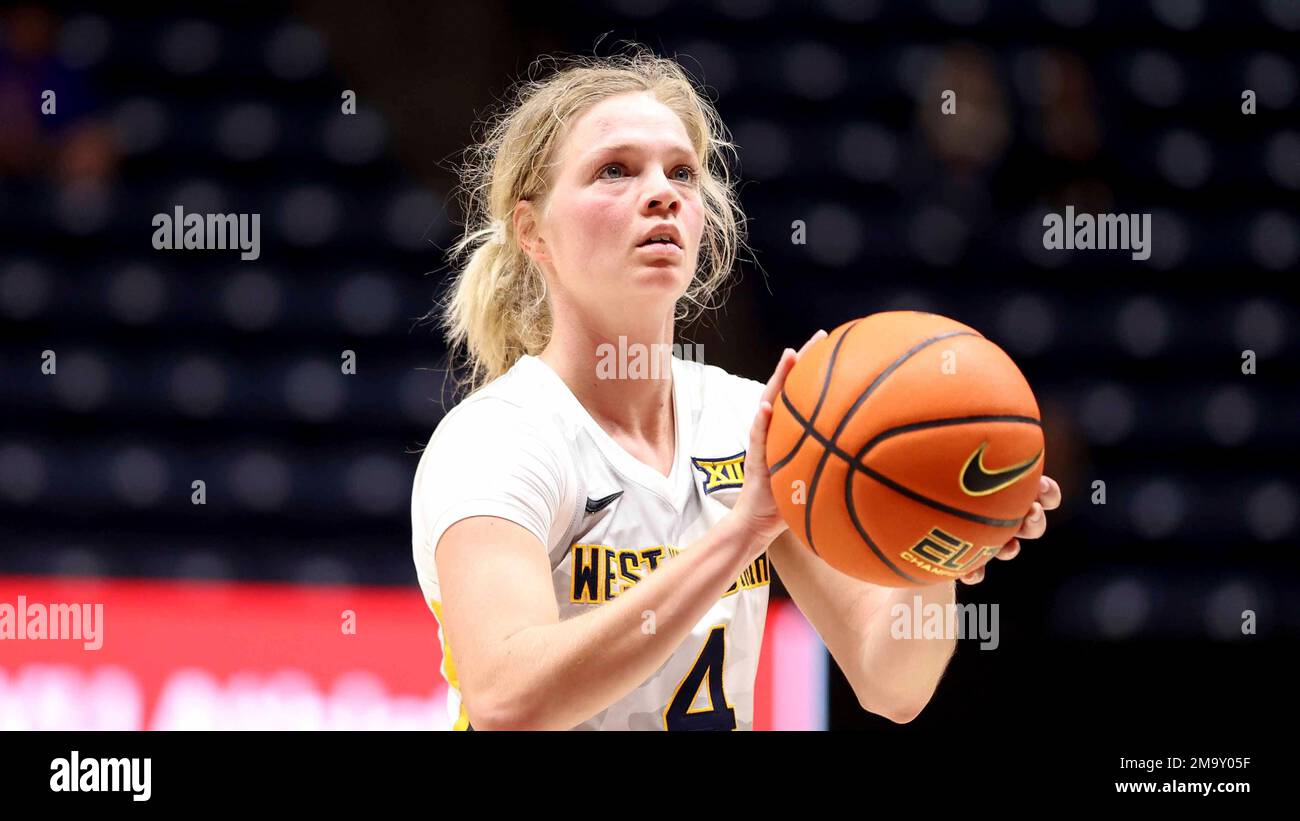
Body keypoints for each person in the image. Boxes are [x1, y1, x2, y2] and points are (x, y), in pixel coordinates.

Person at [410, 48, 1061, 731]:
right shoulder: (497, 439)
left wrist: (941, 524)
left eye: (681, 173)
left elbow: (892, 680)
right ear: (532, 230)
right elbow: (509, 701)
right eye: (615, 170)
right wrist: (743, 530)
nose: (661, 191)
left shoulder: (753, 419)